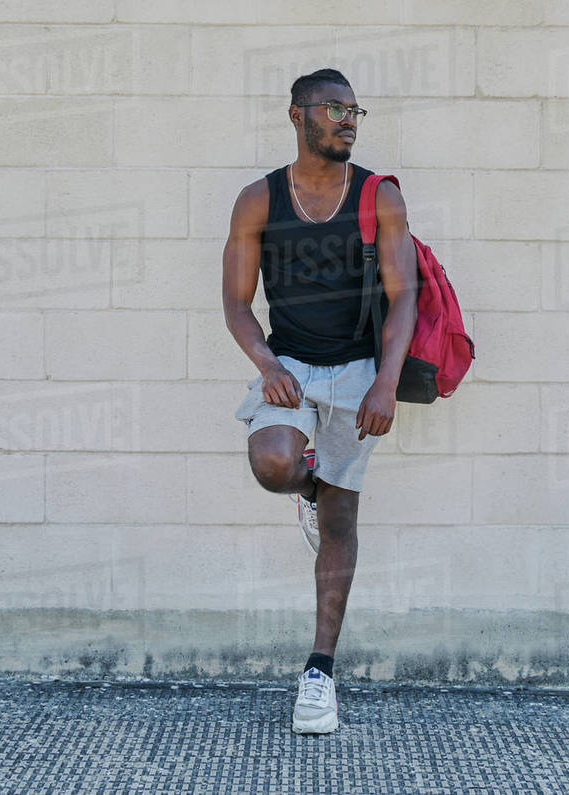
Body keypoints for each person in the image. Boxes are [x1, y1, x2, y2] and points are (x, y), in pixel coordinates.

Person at [221, 68, 417, 734]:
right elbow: (235, 301)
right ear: (297, 115)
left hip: (359, 373)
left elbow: (405, 296)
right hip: (293, 368)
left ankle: (319, 674)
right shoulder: (258, 199)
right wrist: (267, 363)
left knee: (340, 526)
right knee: (274, 461)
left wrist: (386, 380)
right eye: (332, 108)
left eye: (354, 109)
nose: (347, 119)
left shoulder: (378, 197)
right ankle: (307, 488)